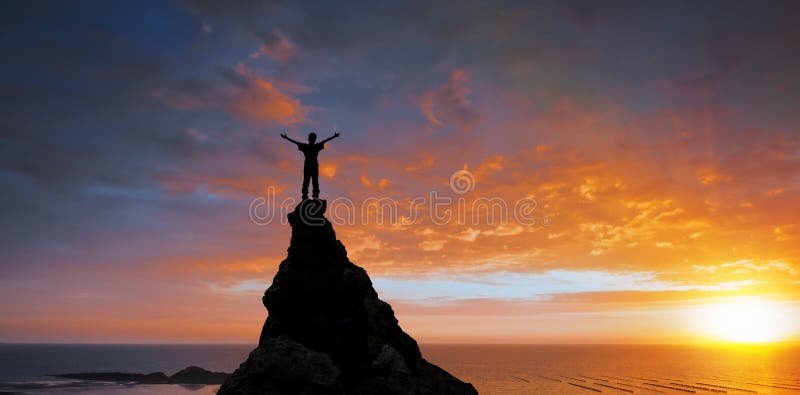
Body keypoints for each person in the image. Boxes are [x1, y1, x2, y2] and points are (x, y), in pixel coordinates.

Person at [281, 131, 340, 200]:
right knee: (309, 181)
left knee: (311, 181)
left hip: (311, 166)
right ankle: (309, 196)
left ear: (309, 139)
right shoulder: (310, 146)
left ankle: (311, 196)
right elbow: (324, 141)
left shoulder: (309, 146)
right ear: (311, 139)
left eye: (313, 138)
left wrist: (286, 138)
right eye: (312, 138)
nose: (312, 139)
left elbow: (296, 142)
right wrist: (333, 136)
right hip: (310, 166)